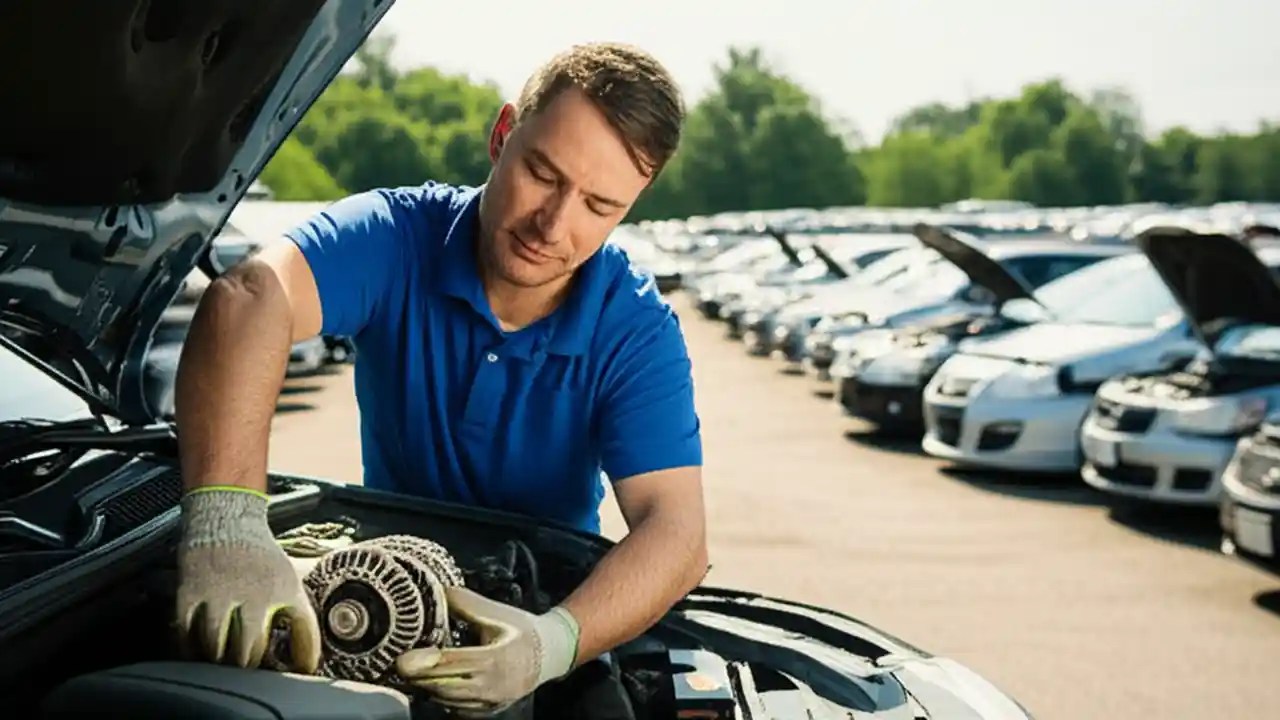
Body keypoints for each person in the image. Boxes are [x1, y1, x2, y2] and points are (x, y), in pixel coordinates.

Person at [172, 42, 708, 716]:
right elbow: (249, 297)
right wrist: (228, 522)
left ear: (631, 205)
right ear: (502, 134)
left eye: (598, 205)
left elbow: (677, 533)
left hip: (539, 612)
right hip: (378, 595)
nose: (553, 224)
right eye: (543, 173)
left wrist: (550, 644)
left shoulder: (633, 328)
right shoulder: (397, 235)